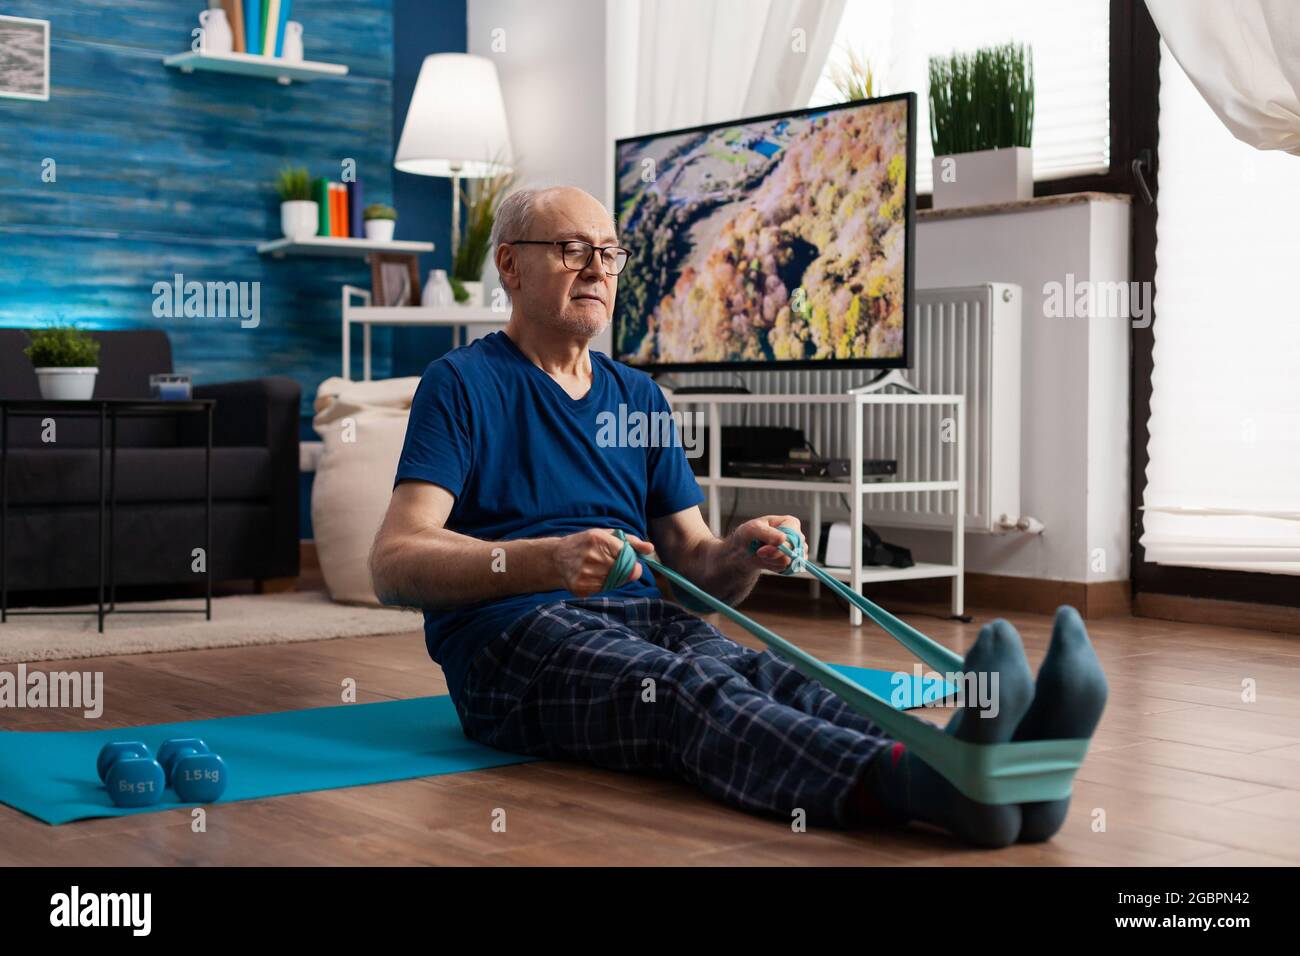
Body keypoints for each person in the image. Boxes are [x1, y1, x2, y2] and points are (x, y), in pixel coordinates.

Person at [369, 186, 1107, 847]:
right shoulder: (462, 383)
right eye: (572, 250)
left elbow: (692, 564)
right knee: (689, 692)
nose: (597, 268)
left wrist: (740, 555)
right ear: (510, 265)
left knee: (769, 675)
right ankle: (926, 787)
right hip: (514, 640)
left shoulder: (641, 399)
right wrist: (545, 560)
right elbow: (395, 563)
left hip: (635, 616)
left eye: (609, 252)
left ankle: (992, 768)